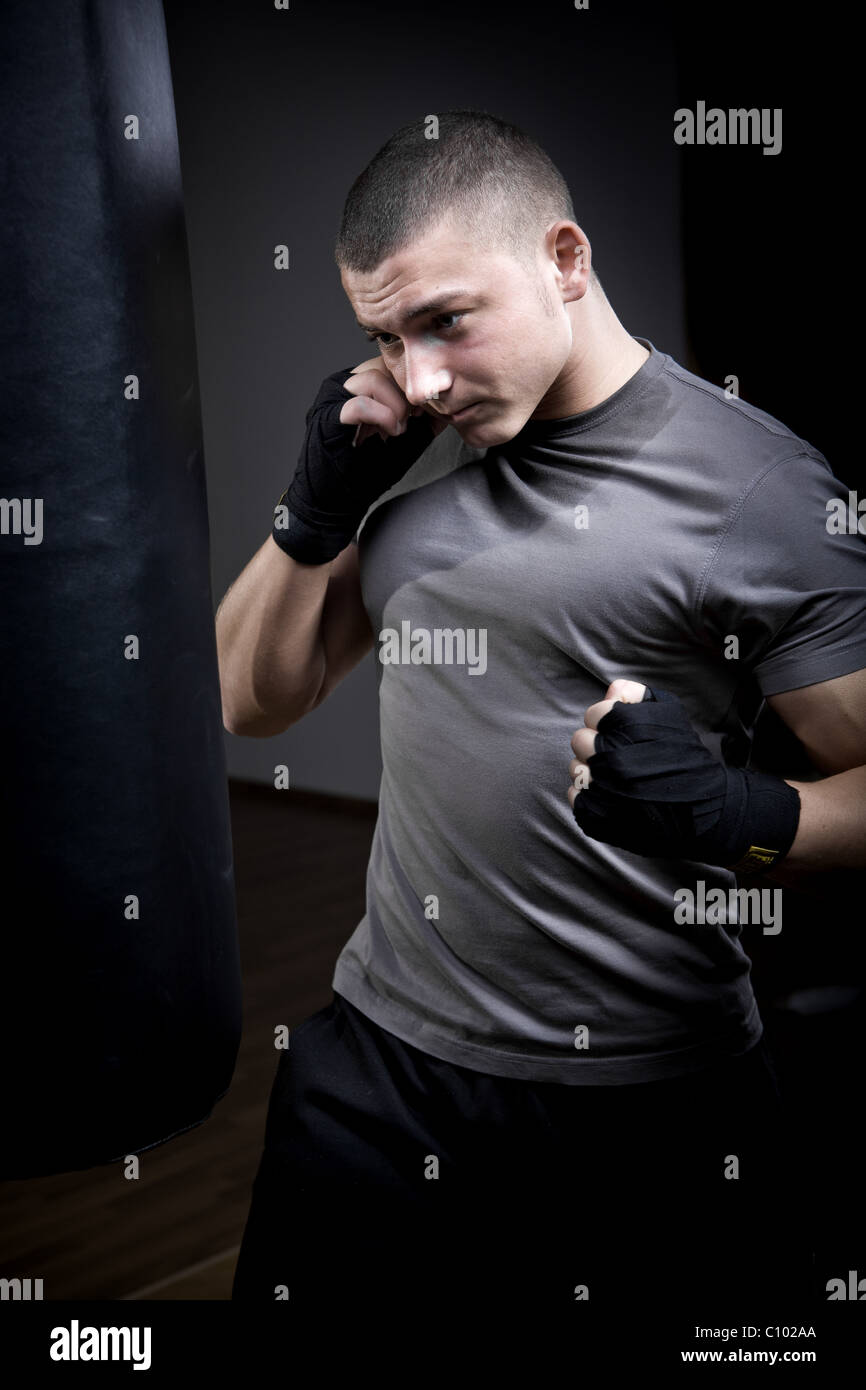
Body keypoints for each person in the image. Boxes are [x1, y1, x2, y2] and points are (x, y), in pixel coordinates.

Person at [219, 110, 866, 1314]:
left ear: (564, 260)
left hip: (648, 1092)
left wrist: (745, 811)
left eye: (445, 321)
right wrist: (307, 518)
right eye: (383, 336)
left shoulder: (759, 490)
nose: (415, 377)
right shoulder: (411, 478)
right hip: (379, 1065)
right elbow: (250, 701)